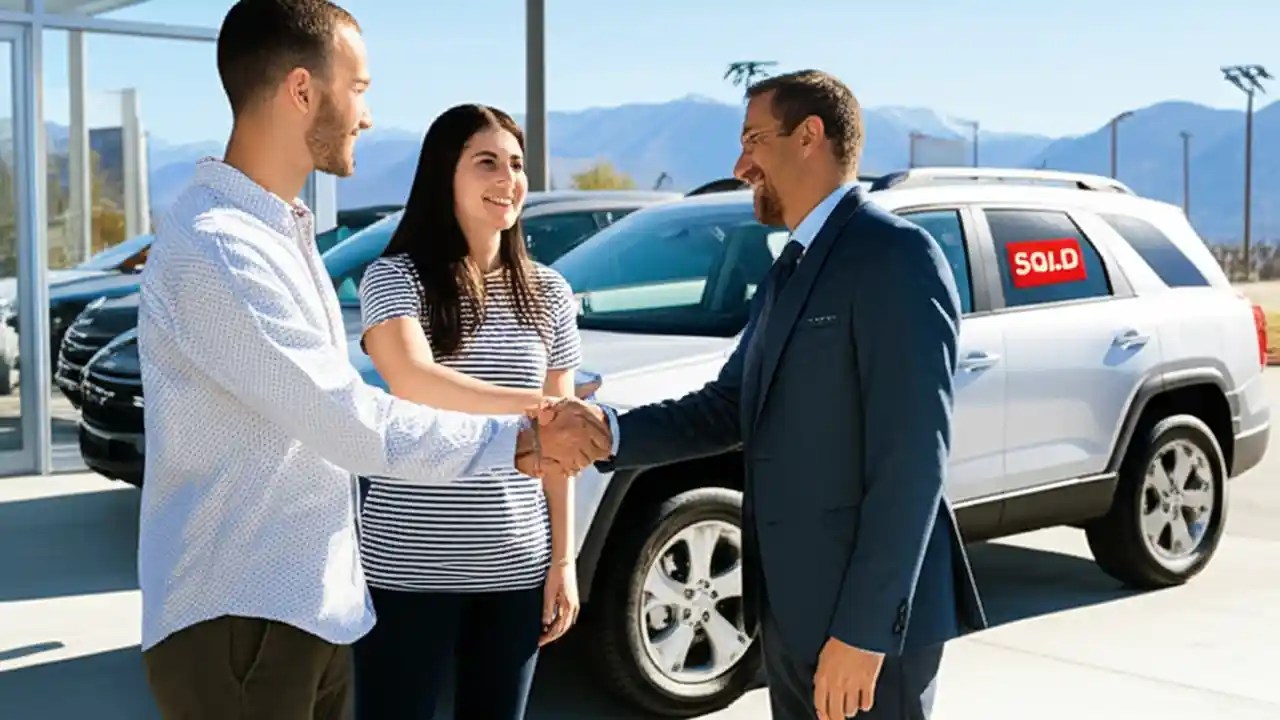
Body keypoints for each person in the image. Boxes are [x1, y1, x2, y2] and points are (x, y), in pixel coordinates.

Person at [135, 2, 609, 718]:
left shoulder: (273, 232)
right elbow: (350, 421)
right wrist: (528, 435)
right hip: (244, 616)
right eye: (358, 87)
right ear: (302, 91)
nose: (366, 114)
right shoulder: (221, 246)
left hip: (301, 611)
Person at [595, 69, 988, 719]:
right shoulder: (792, 265)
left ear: (809, 136)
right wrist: (605, 432)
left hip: (861, 628)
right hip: (791, 609)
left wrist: (863, 633)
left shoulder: (894, 256)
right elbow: (729, 407)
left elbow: (913, 462)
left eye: (754, 139)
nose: (741, 163)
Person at [350, 103, 584, 719]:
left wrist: (564, 560)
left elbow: (558, 450)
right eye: (486, 163)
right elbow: (414, 381)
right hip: (406, 567)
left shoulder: (550, 291)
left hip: (516, 566)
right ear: (442, 175)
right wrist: (542, 406)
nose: (507, 180)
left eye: (516, 164)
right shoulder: (393, 277)